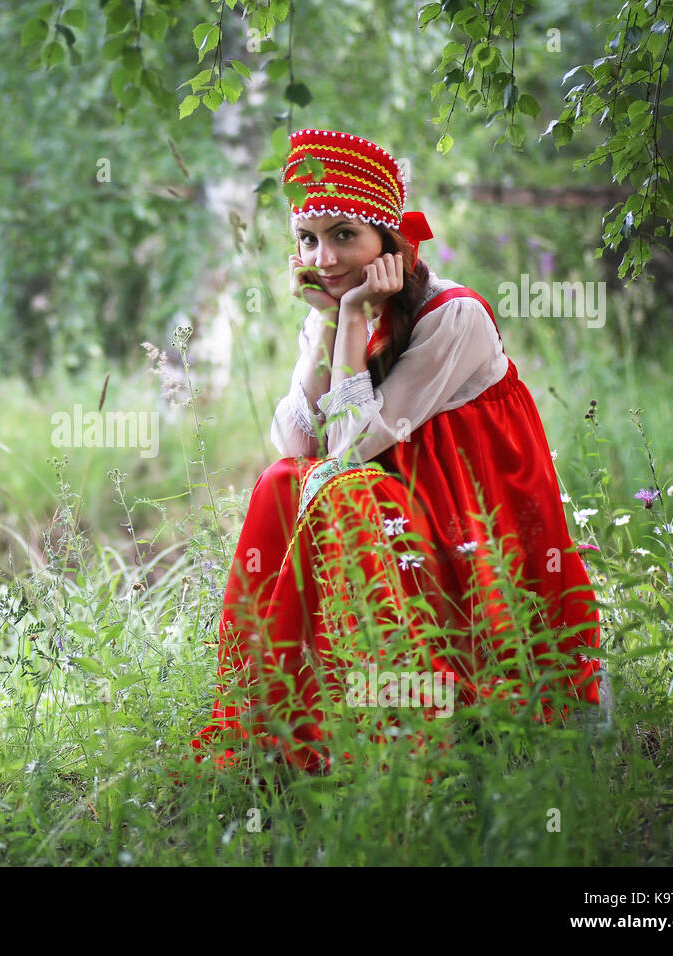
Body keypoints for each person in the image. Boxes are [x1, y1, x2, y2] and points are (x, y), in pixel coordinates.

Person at [191, 128, 603, 775]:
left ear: (390, 240)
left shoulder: (454, 318)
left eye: (343, 235)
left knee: (341, 487)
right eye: (308, 238)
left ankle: (411, 725)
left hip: (465, 533)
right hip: (390, 509)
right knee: (279, 480)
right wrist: (328, 326)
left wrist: (351, 321)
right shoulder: (331, 307)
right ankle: (271, 715)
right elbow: (301, 448)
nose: (323, 258)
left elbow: (348, 451)